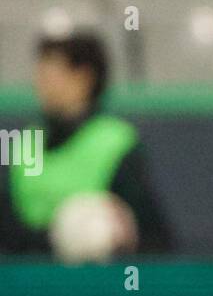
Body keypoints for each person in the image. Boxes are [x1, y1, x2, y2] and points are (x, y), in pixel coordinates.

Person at [0, 33, 173, 256]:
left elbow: (152, 234)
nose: (39, 81)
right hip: (30, 279)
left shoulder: (115, 141)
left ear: (84, 77)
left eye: (50, 71)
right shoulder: (22, 143)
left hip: (96, 280)